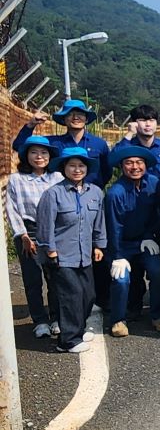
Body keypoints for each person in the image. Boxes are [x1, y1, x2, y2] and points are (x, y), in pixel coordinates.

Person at [36, 147, 106, 353]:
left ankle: (78, 329)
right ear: (64, 168)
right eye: (72, 166)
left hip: (85, 254)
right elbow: (44, 225)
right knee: (71, 296)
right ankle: (68, 341)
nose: (77, 170)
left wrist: (99, 244)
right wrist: (50, 250)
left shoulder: (95, 192)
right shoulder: (53, 194)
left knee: (89, 295)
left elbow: (99, 222)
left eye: (81, 165)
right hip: (61, 254)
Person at [104, 146, 160, 337]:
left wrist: (148, 235)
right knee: (121, 280)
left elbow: (157, 214)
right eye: (129, 163)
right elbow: (113, 227)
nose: (135, 167)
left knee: (157, 271)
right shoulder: (115, 193)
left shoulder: (154, 184)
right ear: (121, 166)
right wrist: (117, 255)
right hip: (122, 245)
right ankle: (118, 319)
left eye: (139, 162)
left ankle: (158, 314)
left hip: (146, 241)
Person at [6, 136, 62, 337]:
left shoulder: (57, 178)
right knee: (32, 279)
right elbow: (12, 209)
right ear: (26, 155)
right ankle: (39, 320)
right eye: (34, 152)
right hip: (28, 232)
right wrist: (22, 235)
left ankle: (56, 318)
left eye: (44, 153)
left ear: (50, 156)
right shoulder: (16, 179)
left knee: (55, 276)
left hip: (53, 231)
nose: (39, 157)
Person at [13, 99, 111, 188]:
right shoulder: (53, 143)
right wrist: (31, 124)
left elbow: (106, 171)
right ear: (63, 119)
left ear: (87, 119)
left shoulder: (99, 144)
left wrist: (96, 188)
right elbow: (19, 146)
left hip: (90, 196)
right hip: (60, 197)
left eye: (80, 114)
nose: (75, 117)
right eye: (70, 114)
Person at [113, 105, 160, 178]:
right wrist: (130, 133)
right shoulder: (128, 146)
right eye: (143, 120)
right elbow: (113, 158)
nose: (148, 124)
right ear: (134, 123)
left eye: (152, 120)